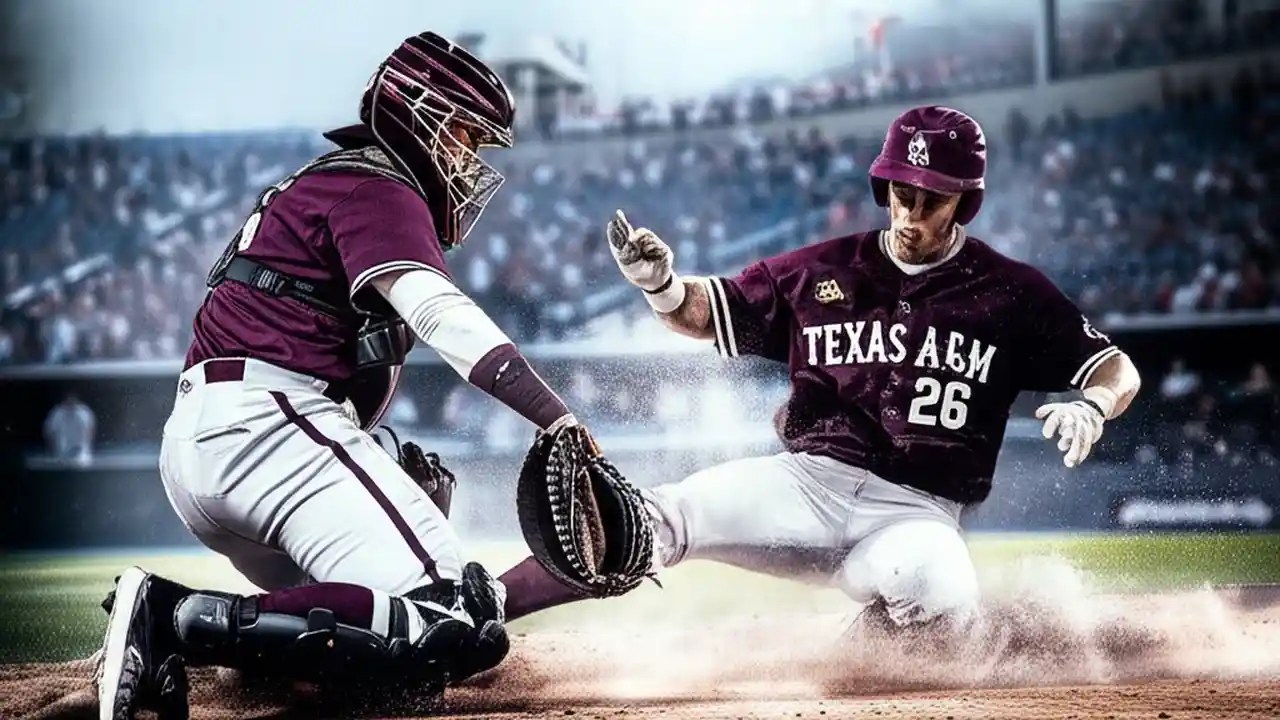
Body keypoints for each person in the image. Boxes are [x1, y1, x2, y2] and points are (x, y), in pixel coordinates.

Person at [96, 31, 598, 718]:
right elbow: (442, 315)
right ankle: (168, 617)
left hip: (218, 439)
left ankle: (201, 641)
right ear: (415, 114)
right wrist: (556, 415)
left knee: (384, 662)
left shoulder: (330, 184)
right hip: (272, 426)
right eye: (460, 138)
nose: (466, 161)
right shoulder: (378, 185)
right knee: (447, 612)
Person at [496, 105, 1143, 636]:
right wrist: (662, 286)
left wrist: (1092, 404)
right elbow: (705, 312)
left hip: (914, 513)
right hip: (805, 483)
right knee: (655, 518)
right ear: (882, 185)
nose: (911, 211)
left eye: (932, 198)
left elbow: (1116, 369)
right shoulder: (820, 270)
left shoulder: (1011, 293)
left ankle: (850, 655)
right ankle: (481, 611)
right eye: (900, 191)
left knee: (941, 601)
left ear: (964, 202)